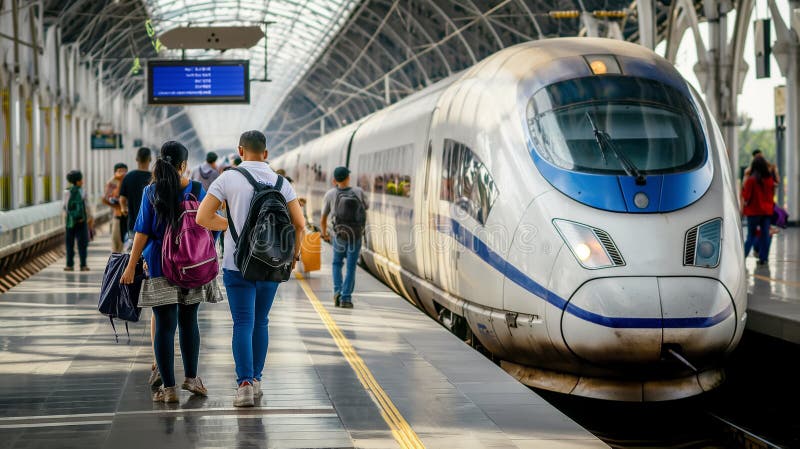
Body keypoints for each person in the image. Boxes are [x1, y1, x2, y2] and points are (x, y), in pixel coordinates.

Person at [196, 130, 305, 408]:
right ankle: (256, 380)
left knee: (243, 322)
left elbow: (203, 217)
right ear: (266, 153)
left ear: (240, 151)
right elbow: (300, 224)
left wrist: (235, 230)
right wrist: (293, 256)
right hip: (272, 263)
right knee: (261, 321)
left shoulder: (228, 178)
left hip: (237, 263)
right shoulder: (282, 183)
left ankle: (243, 384)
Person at [120, 141, 212, 403]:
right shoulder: (196, 189)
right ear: (184, 165)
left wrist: (131, 265)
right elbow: (208, 226)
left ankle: (169, 389)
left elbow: (141, 232)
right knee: (188, 321)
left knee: (164, 325)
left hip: (159, 265)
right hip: (191, 266)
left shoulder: (151, 191)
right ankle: (192, 379)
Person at [119, 147, 160, 386]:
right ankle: (189, 375)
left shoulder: (132, 179)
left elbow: (124, 203)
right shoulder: (189, 188)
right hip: (180, 261)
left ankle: (159, 365)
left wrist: (126, 213)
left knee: (156, 307)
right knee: (184, 320)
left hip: (136, 235)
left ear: (137, 159)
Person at [320, 166, 368, 309]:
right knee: (351, 267)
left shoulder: (330, 194)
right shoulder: (358, 192)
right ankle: (346, 298)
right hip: (356, 234)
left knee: (336, 264)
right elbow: (365, 208)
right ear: (348, 178)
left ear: (334, 180)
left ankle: (337, 292)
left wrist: (324, 233)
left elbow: (323, 219)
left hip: (339, 235)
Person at [742, 157, 776, 265]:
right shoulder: (769, 179)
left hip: (753, 211)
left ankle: (743, 256)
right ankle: (763, 258)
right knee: (765, 234)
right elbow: (772, 194)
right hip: (766, 211)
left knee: (751, 235)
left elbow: (746, 196)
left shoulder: (751, 180)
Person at [63, 170, 93, 271]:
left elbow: (65, 207)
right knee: (82, 244)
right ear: (77, 181)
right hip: (81, 221)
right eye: (81, 179)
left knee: (69, 244)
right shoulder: (83, 191)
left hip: (70, 222)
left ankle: (69, 265)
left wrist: (68, 218)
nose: (82, 181)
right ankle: (83, 265)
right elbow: (87, 206)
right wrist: (90, 218)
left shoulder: (66, 192)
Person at [103, 163, 128, 252]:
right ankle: (116, 264)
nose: (122, 173)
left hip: (130, 218)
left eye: (124, 171)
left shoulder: (129, 182)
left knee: (126, 245)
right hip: (117, 217)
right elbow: (105, 199)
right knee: (116, 244)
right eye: (120, 171)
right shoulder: (113, 184)